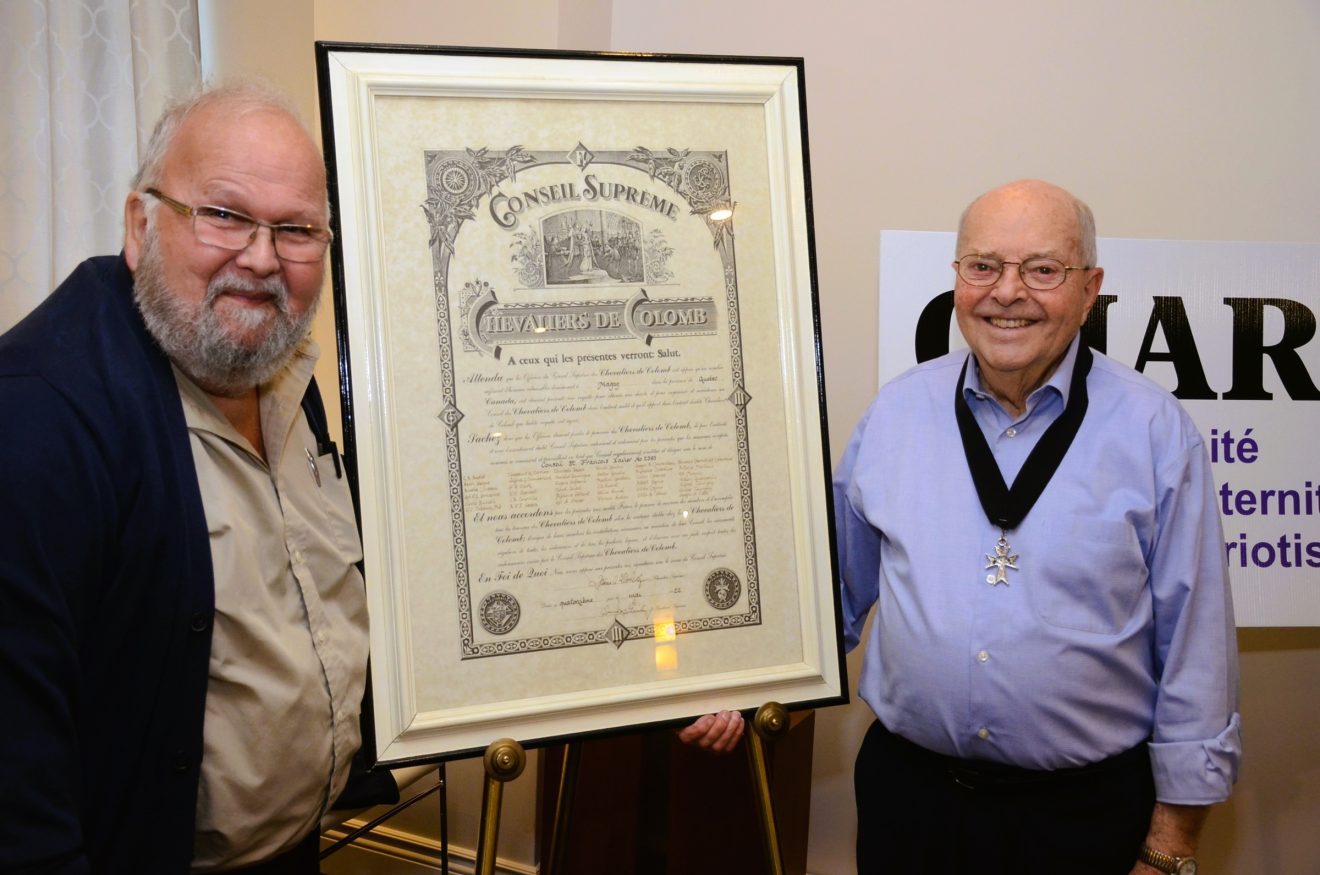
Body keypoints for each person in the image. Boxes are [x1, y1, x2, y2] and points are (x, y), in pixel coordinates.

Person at [0, 81, 378, 873]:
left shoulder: (271, 363)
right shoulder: (37, 422)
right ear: (142, 225)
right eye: (226, 214)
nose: (263, 257)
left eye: (297, 229)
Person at [831, 179, 1241, 874]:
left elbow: (1195, 649)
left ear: (1090, 289)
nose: (1007, 291)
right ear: (957, 279)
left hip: (1083, 820)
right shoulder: (895, 415)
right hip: (911, 805)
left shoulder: (1154, 432)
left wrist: (1170, 848)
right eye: (983, 265)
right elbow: (826, 599)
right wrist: (740, 685)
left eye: (1043, 269)